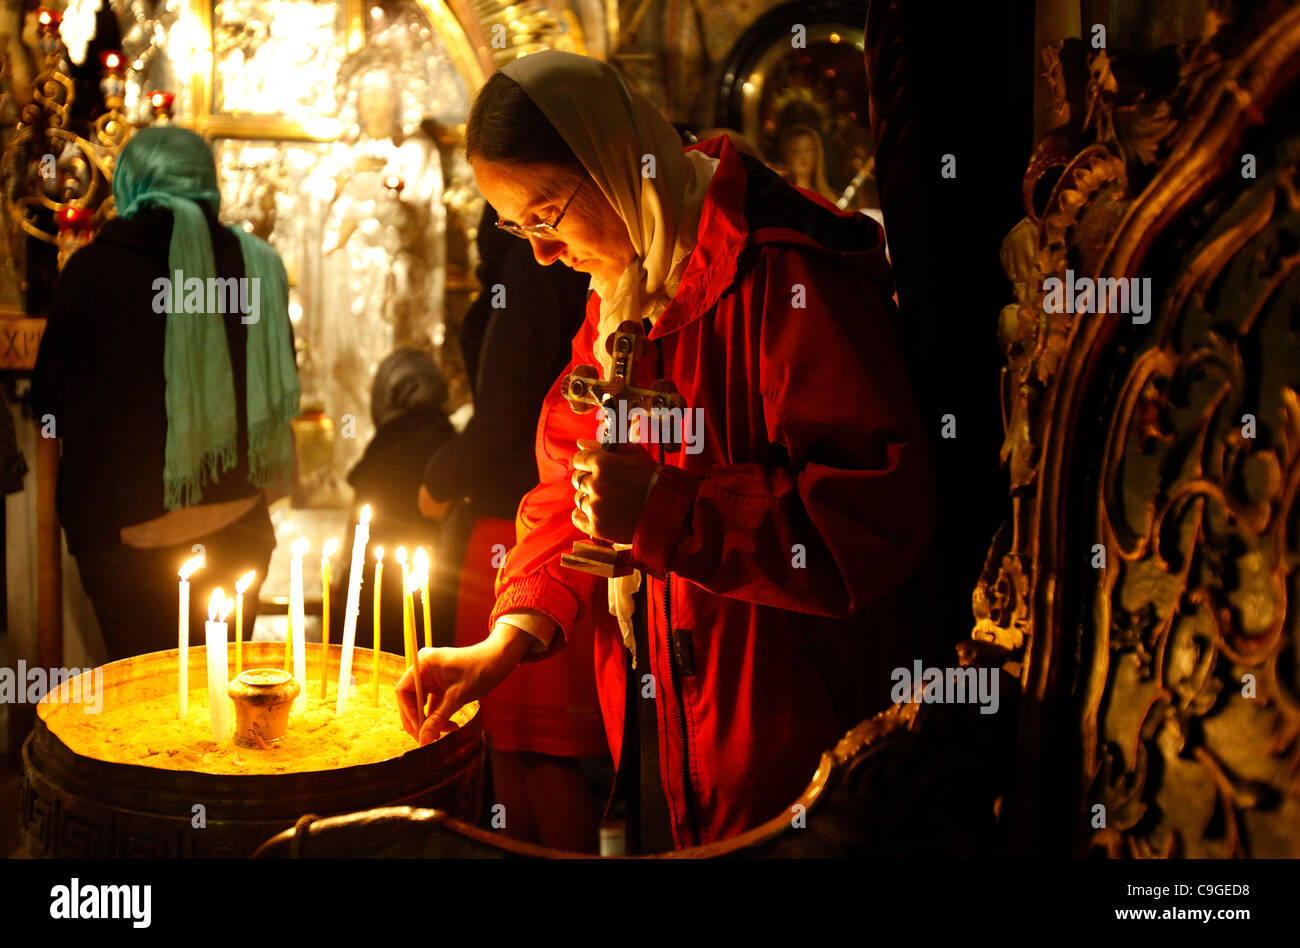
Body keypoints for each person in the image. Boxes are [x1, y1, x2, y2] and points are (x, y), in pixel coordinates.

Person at [397, 50, 934, 852]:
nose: (541, 254)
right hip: (665, 704)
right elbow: (573, 475)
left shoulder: (785, 267)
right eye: (517, 227)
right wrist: (505, 642)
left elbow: (871, 514)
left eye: (545, 215)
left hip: (785, 728)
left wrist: (668, 512)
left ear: (611, 162)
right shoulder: (630, 283)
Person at [31, 126, 298, 661]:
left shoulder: (92, 271)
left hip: (130, 550)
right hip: (239, 531)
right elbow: (279, 409)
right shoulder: (259, 265)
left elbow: (50, 417)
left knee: (146, 716)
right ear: (206, 182)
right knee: (221, 706)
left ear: (129, 183)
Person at [418, 203, 608, 853]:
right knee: (528, 744)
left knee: (532, 745)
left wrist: (439, 479)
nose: (541, 246)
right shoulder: (587, 271)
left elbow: (504, 413)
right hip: (559, 523)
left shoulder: (533, 273)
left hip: (525, 523)